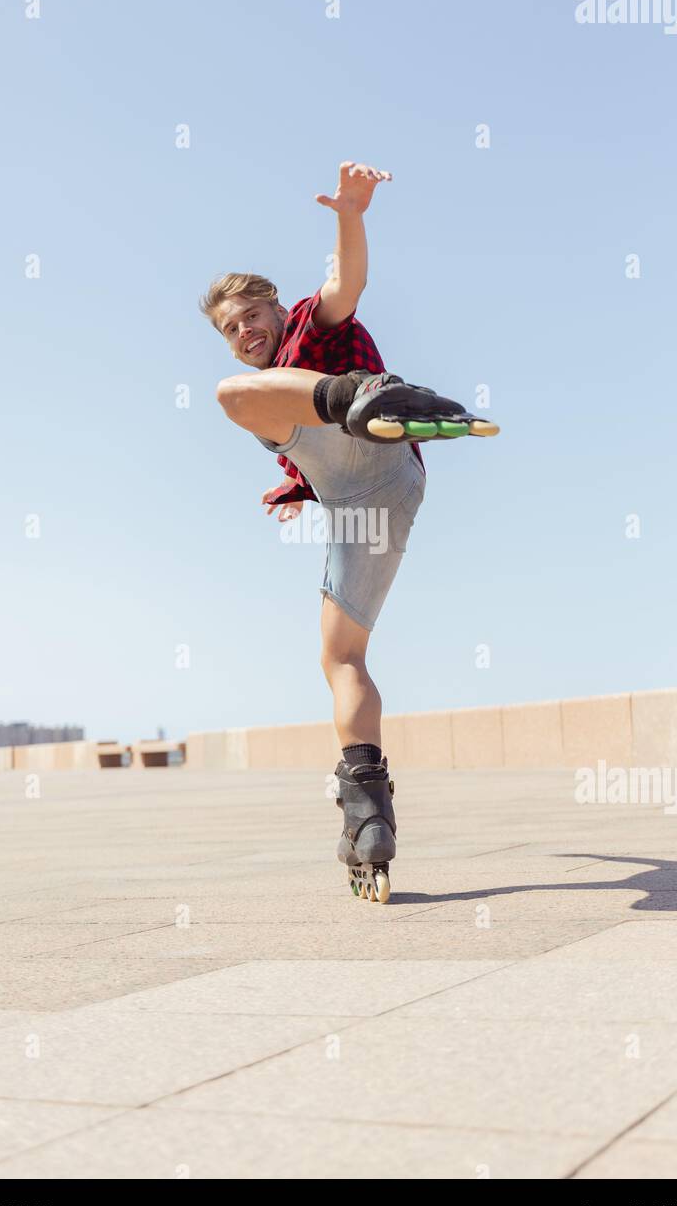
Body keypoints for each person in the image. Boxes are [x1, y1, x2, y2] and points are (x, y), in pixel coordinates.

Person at [201, 161, 493, 900]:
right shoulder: (273, 376)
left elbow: (346, 286)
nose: (245, 333)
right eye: (231, 330)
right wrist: (298, 487)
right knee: (342, 656)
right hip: (377, 498)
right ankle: (366, 807)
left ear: (274, 308)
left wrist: (352, 212)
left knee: (235, 397)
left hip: (372, 452)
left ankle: (363, 396)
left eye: (251, 317)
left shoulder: (310, 322)